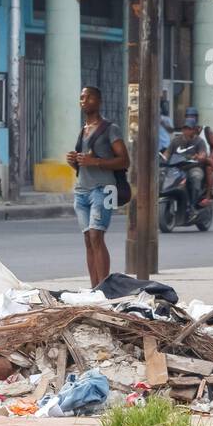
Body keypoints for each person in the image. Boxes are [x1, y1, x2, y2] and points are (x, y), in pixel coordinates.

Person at [66, 86, 130, 288]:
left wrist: (95, 161)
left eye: (88, 97)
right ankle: (94, 287)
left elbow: (124, 161)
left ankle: (104, 288)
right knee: (88, 238)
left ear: (98, 101)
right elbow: (83, 162)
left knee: (97, 235)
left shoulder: (111, 129)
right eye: (81, 97)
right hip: (81, 191)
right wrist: (73, 161)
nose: (83, 100)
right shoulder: (82, 130)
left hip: (105, 189)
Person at [163, 121, 210, 208]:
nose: (187, 131)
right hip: (177, 168)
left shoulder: (199, 141)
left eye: (189, 129)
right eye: (185, 128)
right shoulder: (176, 141)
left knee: (196, 177)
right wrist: (164, 158)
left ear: (194, 130)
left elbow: (203, 154)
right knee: (163, 177)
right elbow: (168, 152)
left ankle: (193, 204)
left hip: (193, 167)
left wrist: (200, 157)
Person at [183, 106, 213, 198]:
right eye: (188, 116)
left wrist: (211, 156)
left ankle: (208, 194)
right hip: (192, 160)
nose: (190, 118)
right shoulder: (186, 133)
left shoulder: (206, 130)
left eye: (192, 116)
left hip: (205, 158)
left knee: (208, 168)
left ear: (196, 118)